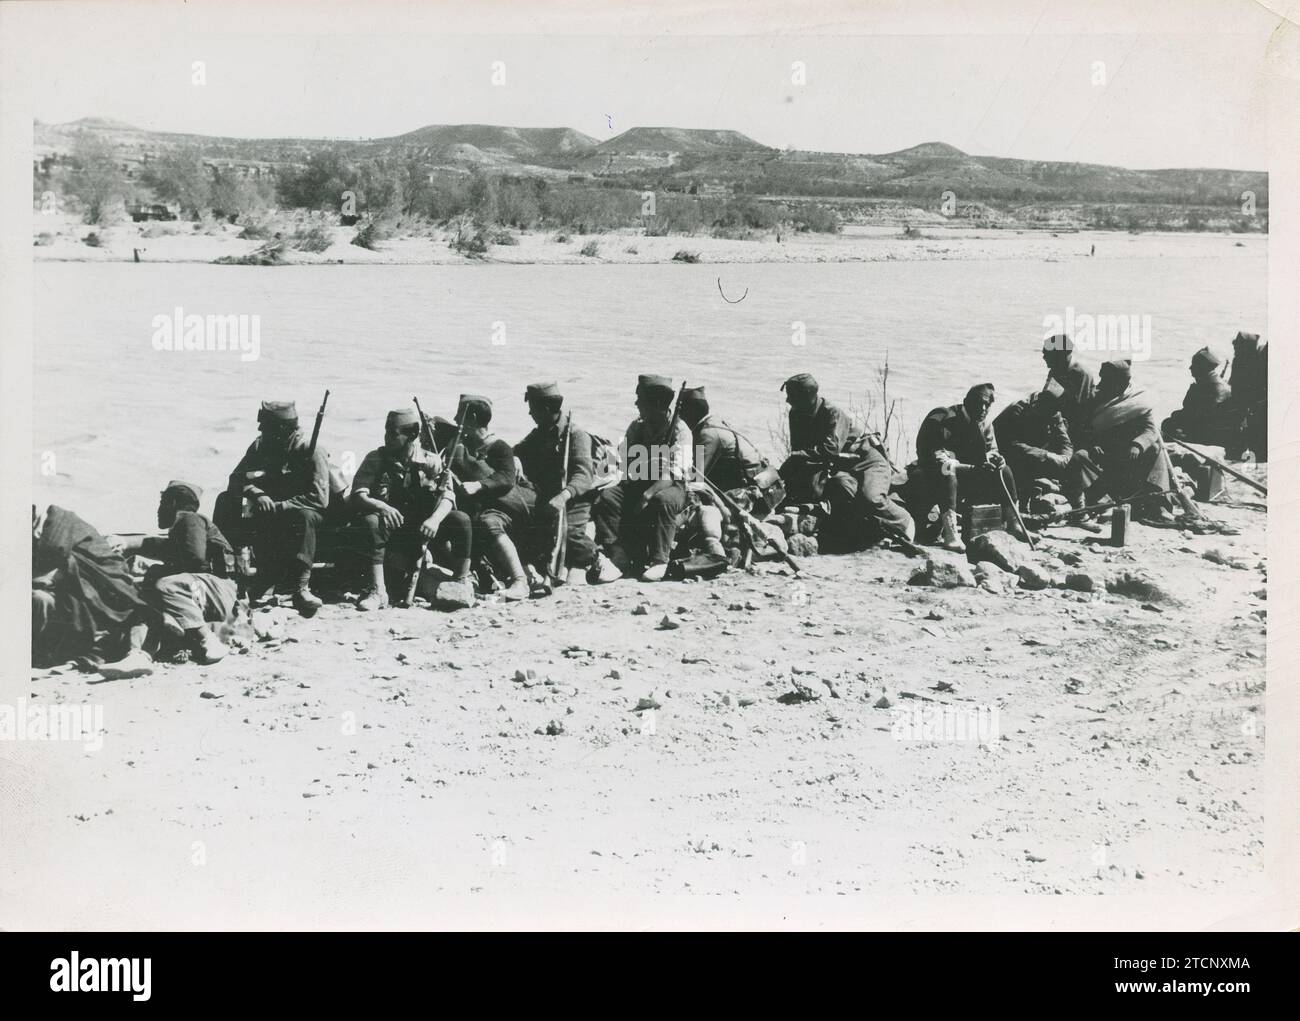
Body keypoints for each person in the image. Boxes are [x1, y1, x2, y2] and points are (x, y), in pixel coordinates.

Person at [348, 408, 474, 611]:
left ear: (412, 435)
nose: (387, 437)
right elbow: (358, 495)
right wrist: (382, 506)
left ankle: (460, 583)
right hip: (394, 531)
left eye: (393, 433)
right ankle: (377, 591)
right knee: (371, 522)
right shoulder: (376, 458)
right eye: (386, 431)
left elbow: (448, 496)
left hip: (423, 529)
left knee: (461, 520)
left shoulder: (431, 461)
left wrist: (435, 520)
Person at [214, 400, 328, 617]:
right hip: (270, 513)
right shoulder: (261, 446)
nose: (260, 430)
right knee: (226, 500)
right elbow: (236, 479)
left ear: (283, 429)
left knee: (305, 516)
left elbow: (319, 498)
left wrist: (280, 506)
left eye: (265, 426)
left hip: (303, 514)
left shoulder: (311, 449)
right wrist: (258, 494)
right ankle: (226, 573)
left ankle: (301, 588)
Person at [114, 481, 238, 666]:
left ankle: (208, 640)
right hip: (201, 593)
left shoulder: (190, 519)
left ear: (171, 503)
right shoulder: (182, 527)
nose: (158, 510)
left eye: (161, 503)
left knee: (166, 584)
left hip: (217, 590)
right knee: (143, 596)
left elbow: (195, 559)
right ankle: (139, 655)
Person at [592, 374, 693, 581]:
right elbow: (619, 457)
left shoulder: (680, 431)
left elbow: (674, 474)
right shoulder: (638, 426)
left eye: (641, 399)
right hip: (642, 481)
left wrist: (647, 494)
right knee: (608, 497)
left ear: (656, 403)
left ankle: (659, 560)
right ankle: (618, 553)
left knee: (662, 500)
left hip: (672, 487)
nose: (636, 403)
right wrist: (597, 477)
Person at [32, 504, 147, 672]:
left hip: (105, 592)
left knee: (38, 598)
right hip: (79, 593)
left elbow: (54, 556)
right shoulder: (43, 532)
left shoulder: (59, 521)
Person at [911, 383, 1024, 551]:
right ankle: (951, 534)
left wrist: (997, 460)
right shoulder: (944, 418)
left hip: (963, 477)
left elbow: (991, 450)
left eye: (988, 404)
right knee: (948, 469)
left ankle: (1015, 524)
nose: (984, 408)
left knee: (1004, 470)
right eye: (980, 403)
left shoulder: (984, 425)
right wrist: (973, 469)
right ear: (966, 401)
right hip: (930, 476)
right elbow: (939, 460)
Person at [447, 394, 536, 601]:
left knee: (488, 523)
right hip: (487, 508)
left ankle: (520, 581)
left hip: (508, 509)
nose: (455, 419)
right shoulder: (466, 446)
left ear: (474, 417)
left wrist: (478, 485)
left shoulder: (498, 447)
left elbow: (506, 478)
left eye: (460, 415)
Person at [1064, 358, 1173, 522]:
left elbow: (1151, 430)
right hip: (1104, 452)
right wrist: (1092, 444)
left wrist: (1138, 445)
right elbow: (1083, 429)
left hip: (1129, 453)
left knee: (1156, 449)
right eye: (1103, 379)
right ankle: (1098, 502)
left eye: (1108, 381)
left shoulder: (1136, 399)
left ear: (1122, 382)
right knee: (1079, 457)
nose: (1102, 384)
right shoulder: (1095, 398)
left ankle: (1158, 502)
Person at [513, 382, 598, 588]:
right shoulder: (541, 432)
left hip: (575, 498)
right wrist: (512, 458)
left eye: (533, 408)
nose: (530, 413)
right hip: (550, 497)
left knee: (567, 534)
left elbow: (583, 474)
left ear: (546, 409)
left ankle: (596, 558)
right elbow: (518, 450)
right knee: (537, 534)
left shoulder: (576, 434)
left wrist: (564, 496)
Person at [993, 383, 1074, 505]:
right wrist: (1046, 455)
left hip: (1033, 454)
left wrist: (1064, 458)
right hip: (1008, 456)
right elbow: (1009, 444)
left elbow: (1065, 442)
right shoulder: (1018, 409)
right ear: (1038, 402)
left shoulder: (1053, 411)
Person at [1161, 346, 1234, 446]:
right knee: (1169, 423)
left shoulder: (1214, 388)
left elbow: (1202, 418)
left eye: (1194, 365)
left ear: (1203, 368)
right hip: (1206, 428)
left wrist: (1178, 419)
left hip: (1212, 433)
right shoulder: (1207, 383)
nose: (1190, 368)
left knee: (1169, 426)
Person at [1041, 334, 1097, 442]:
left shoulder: (1080, 373)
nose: (1044, 357)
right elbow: (1046, 396)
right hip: (1058, 420)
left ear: (1061, 355)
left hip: (1075, 427)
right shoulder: (1056, 369)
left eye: (1047, 354)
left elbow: (1078, 409)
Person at [1225, 331, 1267, 460]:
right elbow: (1235, 387)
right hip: (1243, 405)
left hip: (1255, 407)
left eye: (1238, 346)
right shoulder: (1238, 360)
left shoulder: (1258, 362)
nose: (1235, 349)